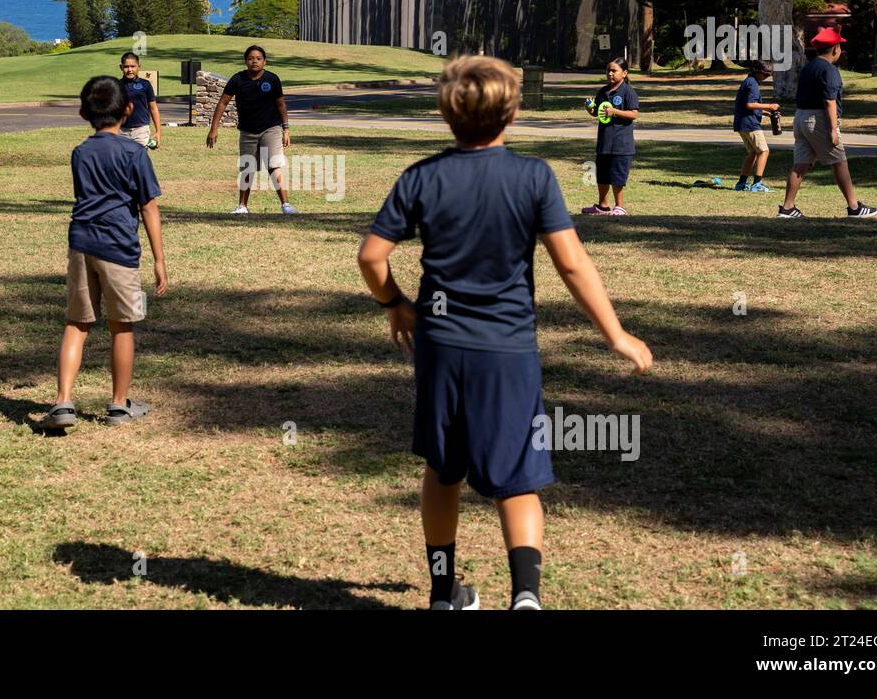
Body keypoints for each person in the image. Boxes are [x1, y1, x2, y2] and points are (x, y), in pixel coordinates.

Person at [357, 56, 652, 610]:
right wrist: (614, 334)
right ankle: (525, 598)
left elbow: (373, 256)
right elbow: (572, 265)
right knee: (517, 479)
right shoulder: (533, 176)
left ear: (446, 114)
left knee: (443, 471)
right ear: (512, 113)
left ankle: (444, 595)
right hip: (508, 350)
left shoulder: (420, 176)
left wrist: (395, 303)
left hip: (440, 347)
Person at [44, 76, 167, 430]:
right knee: (121, 326)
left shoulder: (80, 152)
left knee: (77, 324)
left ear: (83, 113)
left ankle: (63, 402)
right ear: (128, 110)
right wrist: (159, 259)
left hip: (81, 244)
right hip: (119, 247)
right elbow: (148, 208)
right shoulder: (134, 153)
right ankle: (117, 405)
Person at [779, 28, 877, 219]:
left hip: (800, 118)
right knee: (840, 161)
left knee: (800, 164)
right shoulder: (829, 70)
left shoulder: (809, 67)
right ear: (836, 48)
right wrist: (833, 129)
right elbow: (829, 101)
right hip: (819, 120)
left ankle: (788, 208)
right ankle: (854, 207)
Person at [205, 44, 296, 215]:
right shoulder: (237, 79)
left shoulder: (272, 79)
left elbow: (281, 104)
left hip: (271, 128)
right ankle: (242, 206)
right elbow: (223, 102)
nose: (254, 61)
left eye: (258, 58)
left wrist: (286, 129)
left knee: (274, 165)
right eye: (251, 58)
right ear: (246, 61)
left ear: (264, 61)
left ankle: (286, 205)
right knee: (248, 167)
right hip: (247, 130)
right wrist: (213, 129)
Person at [581, 58, 640, 216]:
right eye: (608, 70)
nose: (610, 73)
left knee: (617, 175)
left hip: (621, 143)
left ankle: (620, 206)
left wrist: (615, 111)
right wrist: (590, 108)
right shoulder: (603, 92)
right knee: (602, 175)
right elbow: (597, 113)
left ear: (625, 73)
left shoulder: (628, 92)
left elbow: (634, 113)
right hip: (604, 141)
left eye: (614, 71)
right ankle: (603, 206)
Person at [733, 60, 781, 192]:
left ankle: (741, 183)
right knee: (764, 151)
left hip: (742, 123)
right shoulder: (753, 84)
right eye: (765, 75)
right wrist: (769, 106)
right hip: (750, 124)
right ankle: (757, 184)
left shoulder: (748, 81)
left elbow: (747, 105)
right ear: (758, 72)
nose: (766, 78)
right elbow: (750, 104)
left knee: (753, 153)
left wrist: (765, 112)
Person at [119, 52, 161, 149]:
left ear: (139, 67)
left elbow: (153, 108)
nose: (130, 70)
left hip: (141, 130)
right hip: (120, 131)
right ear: (121, 67)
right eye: (126, 66)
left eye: (133, 66)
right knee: (122, 162)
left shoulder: (145, 84)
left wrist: (158, 132)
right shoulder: (115, 85)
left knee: (139, 161)